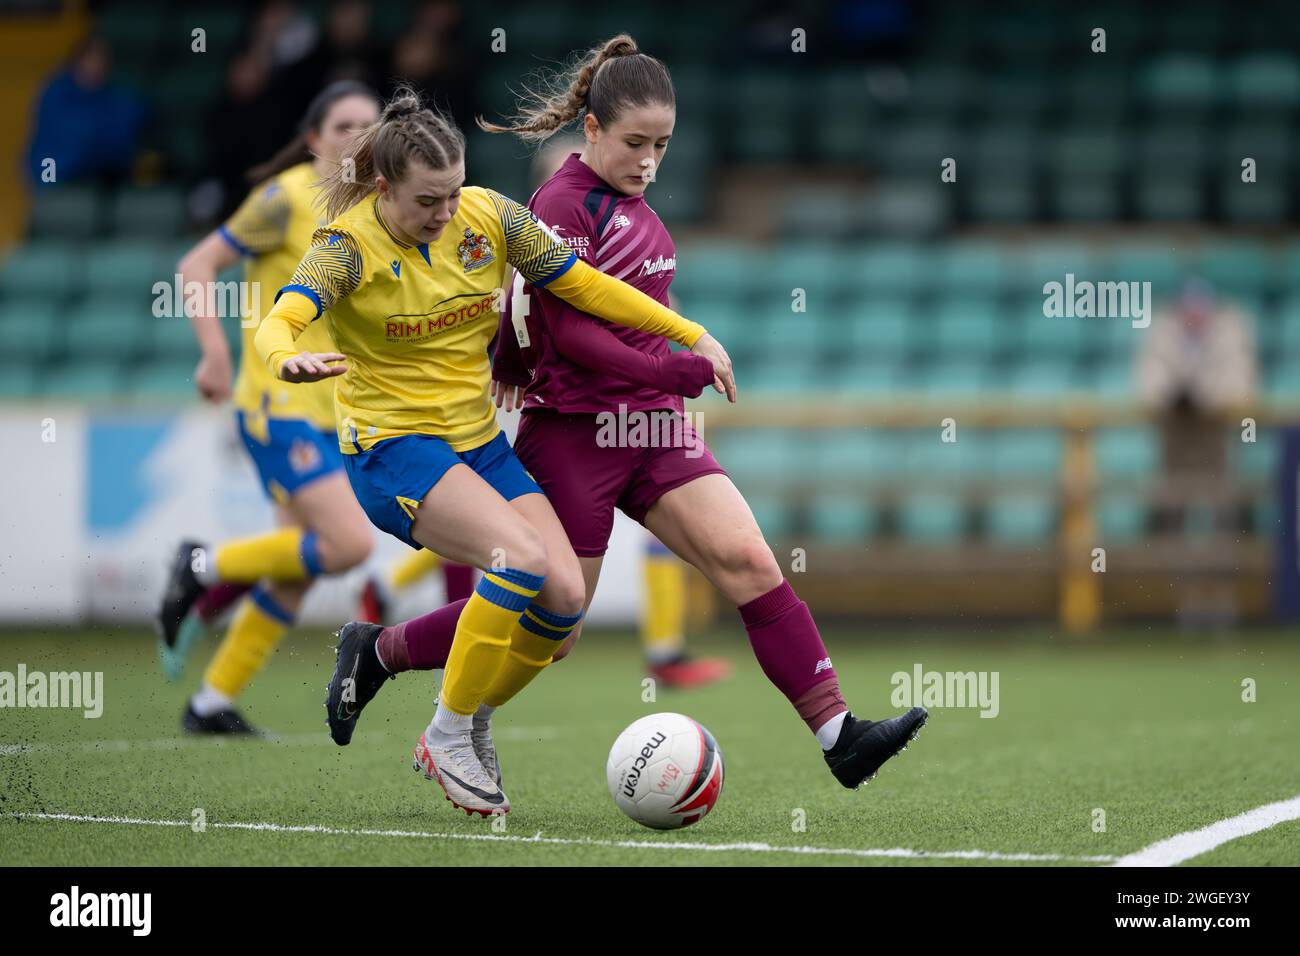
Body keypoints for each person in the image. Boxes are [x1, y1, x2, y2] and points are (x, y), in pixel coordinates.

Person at [334, 37, 928, 793]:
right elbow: (574, 324)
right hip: (576, 433)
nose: (649, 160)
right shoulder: (560, 201)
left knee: (747, 561)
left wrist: (661, 367)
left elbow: (602, 305)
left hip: (651, 428)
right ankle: (382, 651)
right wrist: (664, 363)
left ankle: (838, 732)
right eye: (634, 143)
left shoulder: (634, 206)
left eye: (663, 145)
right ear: (591, 130)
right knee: (556, 623)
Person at [252, 85, 735, 816]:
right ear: (383, 188)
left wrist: (687, 332)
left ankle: (436, 693)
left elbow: (585, 287)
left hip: (475, 444)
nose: (445, 215)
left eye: (452, 194)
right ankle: (446, 734)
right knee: (522, 560)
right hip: (392, 450)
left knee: (566, 598)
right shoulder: (347, 247)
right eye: (426, 202)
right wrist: (285, 354)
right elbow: (282, 317)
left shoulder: (490, 215)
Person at [156, 82, 382, 735]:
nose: (358, 136)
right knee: (348, 544)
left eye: (370, 125)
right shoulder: (285, 198)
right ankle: (199, 568)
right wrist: (213, 355)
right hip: (275, 402)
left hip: (332, 409)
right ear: (314, 138)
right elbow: (197, 265)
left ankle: (210, 703)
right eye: (344, 124)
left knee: (298, 565)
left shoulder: (373, 207)